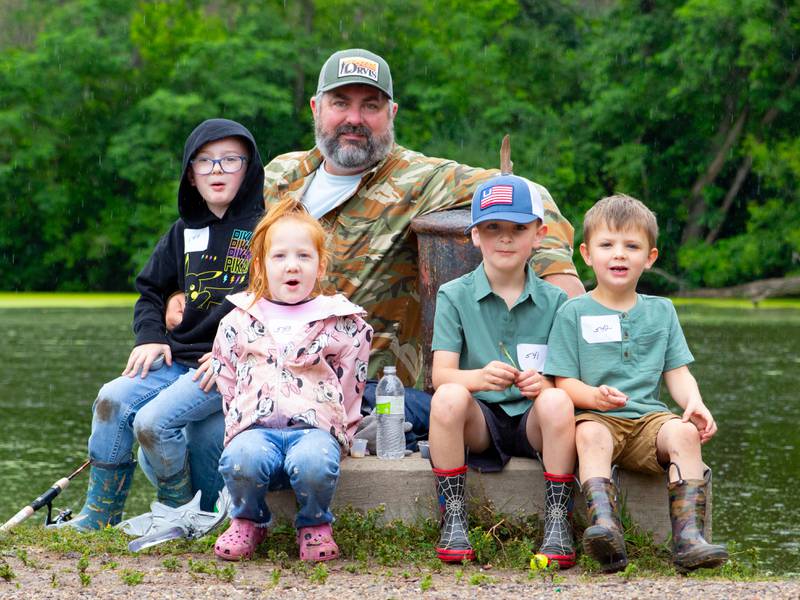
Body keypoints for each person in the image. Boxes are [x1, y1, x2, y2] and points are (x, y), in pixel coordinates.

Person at [172, 48, 584, 501]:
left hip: (366, 383)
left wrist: (555, 271)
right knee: (193, 414)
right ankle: (203, 515)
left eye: (370, 106)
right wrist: (183, 297)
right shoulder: (278, 176)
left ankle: (251, 514)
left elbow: (530, 197)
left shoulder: (420, 179)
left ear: (391, 113)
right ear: (316, 109)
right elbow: (223, 243)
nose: (354, 118)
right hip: (266, 363)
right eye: (340, 103)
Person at [64, 119, 265, 529]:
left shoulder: (267, 230)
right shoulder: (182, 233)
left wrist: (233, 350)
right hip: (178, 360)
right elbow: (150, 291)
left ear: (249, 169)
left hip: (228, 366)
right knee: (111, 397)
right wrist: (151, 336)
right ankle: (99, 515)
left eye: (230, 160)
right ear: (190, 175)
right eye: (205, 162)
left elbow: (280, 304)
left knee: (152, 422)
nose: (217, 171)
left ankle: (176, 511)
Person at [544, 194, 729, 572]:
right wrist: (594, 396)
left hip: (648, 421)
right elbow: (563, 382)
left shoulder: (661, 311)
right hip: (598, 418)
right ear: (586, 253)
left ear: (650, 257)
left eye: (632, 246)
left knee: (684, 433)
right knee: (590, 436)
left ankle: (689, 539)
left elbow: (677, 371)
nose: (619, 255)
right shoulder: (573, 311)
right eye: (607, 245)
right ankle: (605, 529)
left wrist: (694, 402)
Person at [210, 199, 372, 562]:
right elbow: (227, 374)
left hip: (313, 428)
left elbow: (352, 379)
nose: (292, 266)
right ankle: (249, 519)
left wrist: (336, 423)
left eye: (303, 256)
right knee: (241, 460)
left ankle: (314, 522)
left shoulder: (339, 319)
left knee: (315, 463)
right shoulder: (240, 318)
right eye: (279, 256)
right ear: (260, 264)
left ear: (320, 264)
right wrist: (241, 417)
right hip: (255, 427)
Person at [427, 175, 576, 567]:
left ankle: (559, 523)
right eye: (493, 228)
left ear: (539, 235)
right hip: (481, 420)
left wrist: (544, 384)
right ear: (475, 234)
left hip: (533, 420)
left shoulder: (557, 300)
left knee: (560, 400)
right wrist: (477, 378)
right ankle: (454, 517)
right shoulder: (454, 294)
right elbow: (441, 374)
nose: (505, 239)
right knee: (448, 397)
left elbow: (565, 377)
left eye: (518, 229)